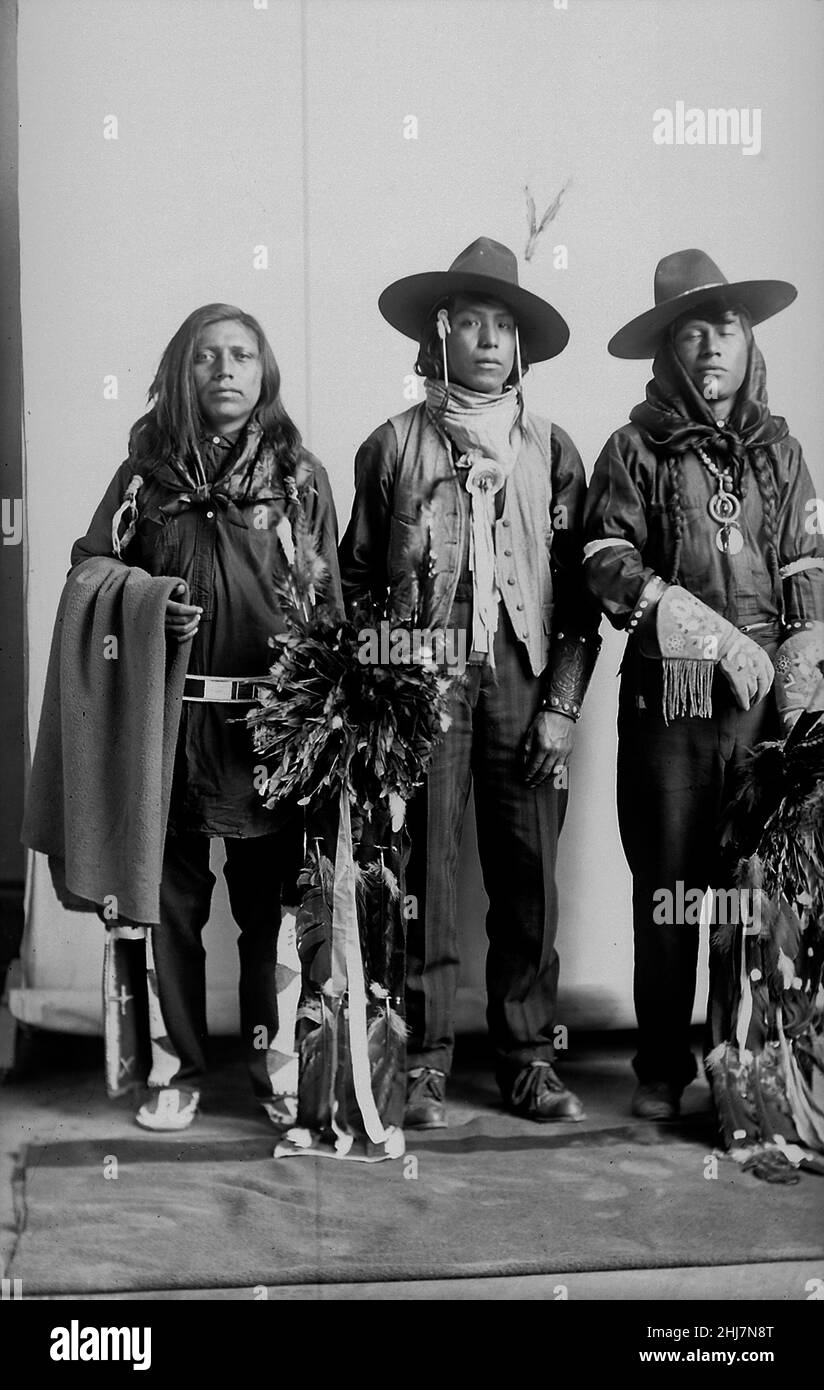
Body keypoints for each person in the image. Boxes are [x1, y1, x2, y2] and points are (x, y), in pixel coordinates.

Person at [339, 238, 601, 1127]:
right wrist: (391, 683)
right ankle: (421, 1061)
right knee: (424, 876)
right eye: (472, 324)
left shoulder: (553, 451)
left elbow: (580, 598)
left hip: (523, 676)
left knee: (529, 877)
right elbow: (355, 585)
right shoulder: (391, 449)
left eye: (505, 326)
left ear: (521, 346)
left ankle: (529, 1058)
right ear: (438, 336)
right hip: (426, 687)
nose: (490, 341)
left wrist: (562, 706)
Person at [69, 303, 343, 1130]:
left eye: (242, 356)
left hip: (272, 734)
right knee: (172, 907)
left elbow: (329, 603)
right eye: (207, 357)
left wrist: (329, 724)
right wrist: (148, 603)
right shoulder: (145, 481)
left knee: (272, 913)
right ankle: (177, 1067)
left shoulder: (297, 478)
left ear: (265, 374)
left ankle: (277, 1067)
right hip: (172, 729)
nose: (225, 370)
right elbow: (88, 571)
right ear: (181, 372)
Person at [584, 248, 824, 1121]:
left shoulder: (782, 452)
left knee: (760, 880)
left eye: (726, 328)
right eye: (693, 330)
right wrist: (705, 632)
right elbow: (604, 563)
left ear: (749, 340)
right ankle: (659, 1067)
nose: (713, 345)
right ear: (669, 351)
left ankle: (750, 1067)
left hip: (766, 704)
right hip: (672, 704)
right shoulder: (633, 447)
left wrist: (803, 711)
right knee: (672, 884)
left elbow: (807, 570)